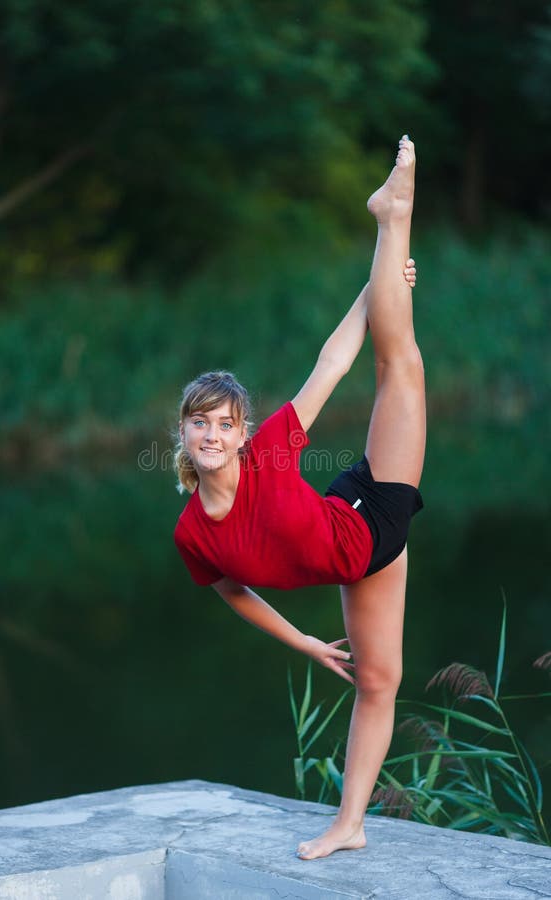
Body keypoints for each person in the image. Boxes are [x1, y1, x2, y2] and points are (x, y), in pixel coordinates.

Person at [173, 135, 426, 860]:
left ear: (242, 429)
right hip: (359, 554)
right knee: (377, 681)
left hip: (371, 513)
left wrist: (376, 285)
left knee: (392, 360)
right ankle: (350, 824)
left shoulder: (270, 451)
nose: (214, 434)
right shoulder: (193, 534)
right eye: (201, 423)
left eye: (226, 423)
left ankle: (392, 216)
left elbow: (332, 359)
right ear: (184, 434)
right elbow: (235, 593)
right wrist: (306, 642)